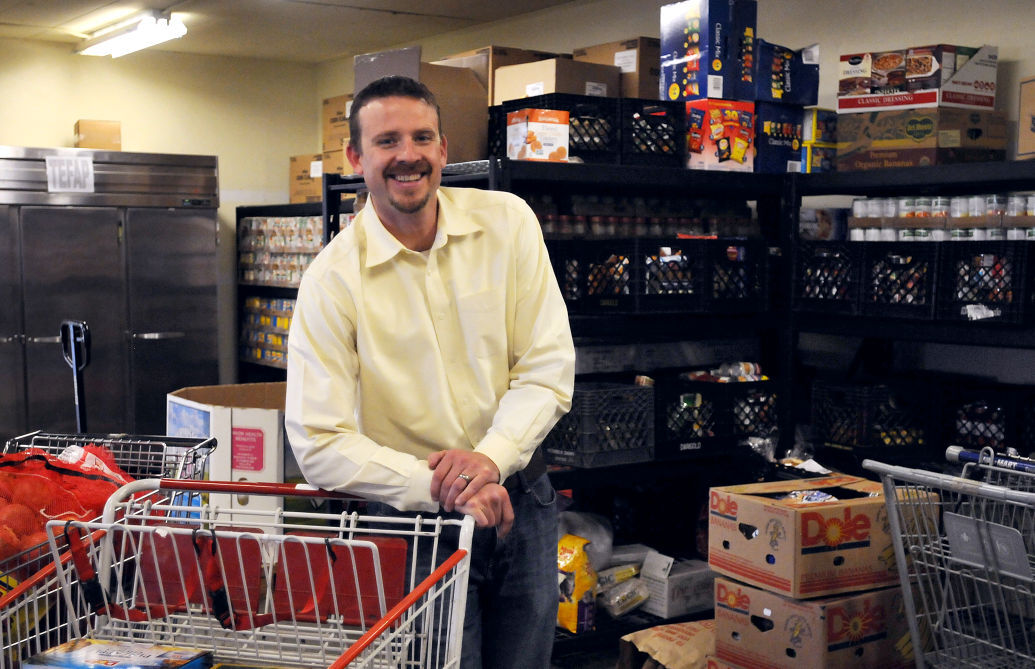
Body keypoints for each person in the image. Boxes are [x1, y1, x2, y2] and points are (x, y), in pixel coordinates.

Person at [284, 75, 576, 668]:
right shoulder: (332, 280)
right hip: (411, 527)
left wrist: (490, 460)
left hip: (522, 503)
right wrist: (443, 487)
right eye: (387, 141)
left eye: (422, 138)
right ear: (356, 159)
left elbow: (546, 367)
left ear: (443, 149)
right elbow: (318, 440)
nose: (408, 155)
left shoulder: (508, 223)